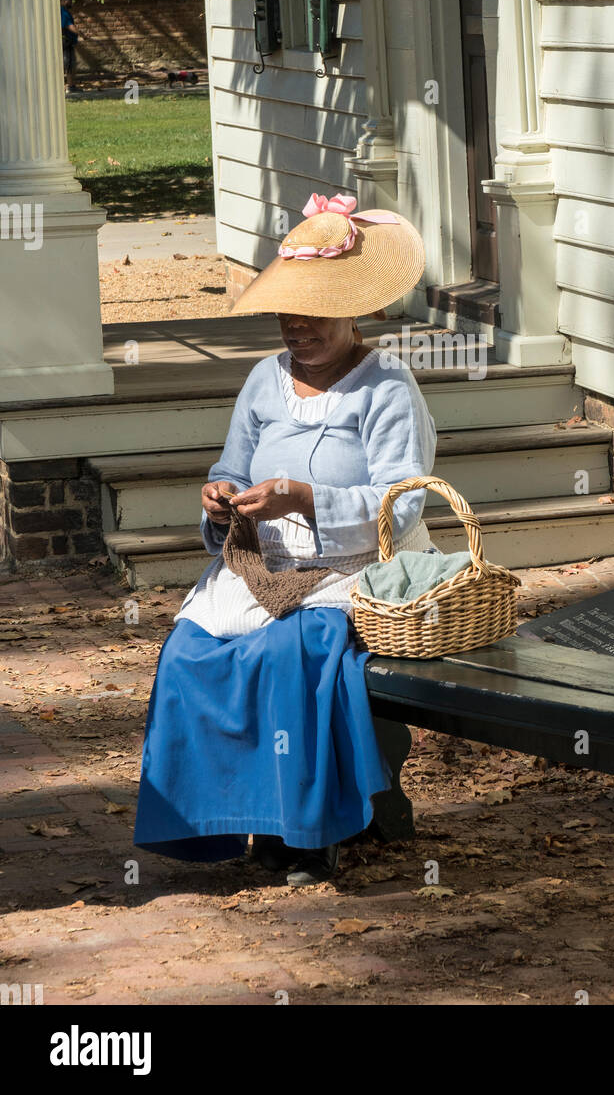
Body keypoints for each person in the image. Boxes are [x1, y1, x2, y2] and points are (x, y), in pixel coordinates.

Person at [134, 193, 438, 884]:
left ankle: (302, 832)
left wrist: (305, 498)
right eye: (286, 314)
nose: (297, 327)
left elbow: (405, 499)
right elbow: (230, 467)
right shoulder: (263, 380)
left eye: (315, 315)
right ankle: (213, 822)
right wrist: (219, 502)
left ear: (354, 310)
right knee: (188, 654)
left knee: (292, 653)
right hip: (265, 563)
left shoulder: (386, 387)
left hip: (355, 564)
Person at [60, 0, 80, 92]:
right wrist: (81, 34)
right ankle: (66, 87)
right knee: (66, 64)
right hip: (65, 42)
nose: (70, 2)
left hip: (69, 42)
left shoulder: (65, 12)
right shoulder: (62, 12)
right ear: (62, 1)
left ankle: (71, 86)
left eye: (71, 0)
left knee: (70, 65)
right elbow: (69, 25)